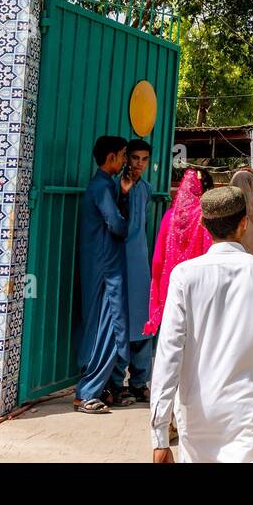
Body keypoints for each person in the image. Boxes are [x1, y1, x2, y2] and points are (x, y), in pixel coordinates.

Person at [149, 185, 253, 462]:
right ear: (244, 223)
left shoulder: (184, 276)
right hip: (251, 411)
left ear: (202, 223)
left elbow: (168, 355)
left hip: (198, 412)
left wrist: (160, 434)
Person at [74, 135, 129, 414]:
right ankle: (87, 392)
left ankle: (97, 387)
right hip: (105, 267)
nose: (124, 161)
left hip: (100, 264)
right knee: (106, 327)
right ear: (111, 158)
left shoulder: (103, 185)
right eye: (122, 156)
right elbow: (117, 225)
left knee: (100, 325)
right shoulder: (102, 188)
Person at [145, 167, 213, 336]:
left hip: (172, 283)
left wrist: (157, 282)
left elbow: (159, 257)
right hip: (200, 284)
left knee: (173, 334)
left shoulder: (170, 216)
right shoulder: (205, 217)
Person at [113, 138, 155, 402]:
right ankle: (116, 384)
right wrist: (124, 194)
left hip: (141, 262)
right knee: (120, 322)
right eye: (135, 158)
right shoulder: (116, 187)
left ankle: (140, 382)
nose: (139, 164)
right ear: (126, 158)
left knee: (143, 322)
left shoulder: (147, 189)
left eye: (144, 159)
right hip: (120, 261)